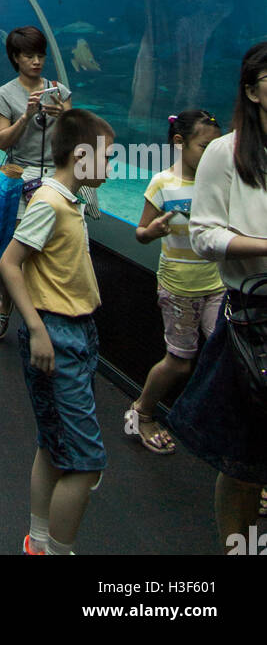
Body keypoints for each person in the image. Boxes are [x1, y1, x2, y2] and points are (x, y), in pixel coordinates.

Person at [0, 108, 113, 557]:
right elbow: (11, 263)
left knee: (51, 444)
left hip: (75, 331)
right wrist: (36, 329)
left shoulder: (68, 198)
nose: (110, 166)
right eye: (106, 156)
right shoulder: (49, 202)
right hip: (57, 333)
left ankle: (39, 543)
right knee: (86, 464)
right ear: (82, 156)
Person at [167, 44, 267, 552]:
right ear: (252, 90)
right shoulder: (225, 153)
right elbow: (204, 236)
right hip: (253, 320)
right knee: (242, 459)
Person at [127, 109, 223, 454]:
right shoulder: (162, 183)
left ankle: (213, 425)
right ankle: (142, 412)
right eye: (204, 146)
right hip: (179, 287)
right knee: (180, 361)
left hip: (218, 284)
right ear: (179, 143)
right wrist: (150, 233)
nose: (211, 154)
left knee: (225, 353)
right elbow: (140, 232)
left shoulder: (220, 180)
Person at [0, 27, 72, 341]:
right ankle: (5, 302)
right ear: (15, 58)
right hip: (21, 178)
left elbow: (75, 137)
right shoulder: (5, 94)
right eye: (29, 56)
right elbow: (1, 139)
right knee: (18, 252)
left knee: (51, 250)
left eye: (40, 55)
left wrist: (63, 116)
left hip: (56, 178)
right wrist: (25, 117)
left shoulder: (59, 90)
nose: (36, 62)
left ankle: (44, 312)